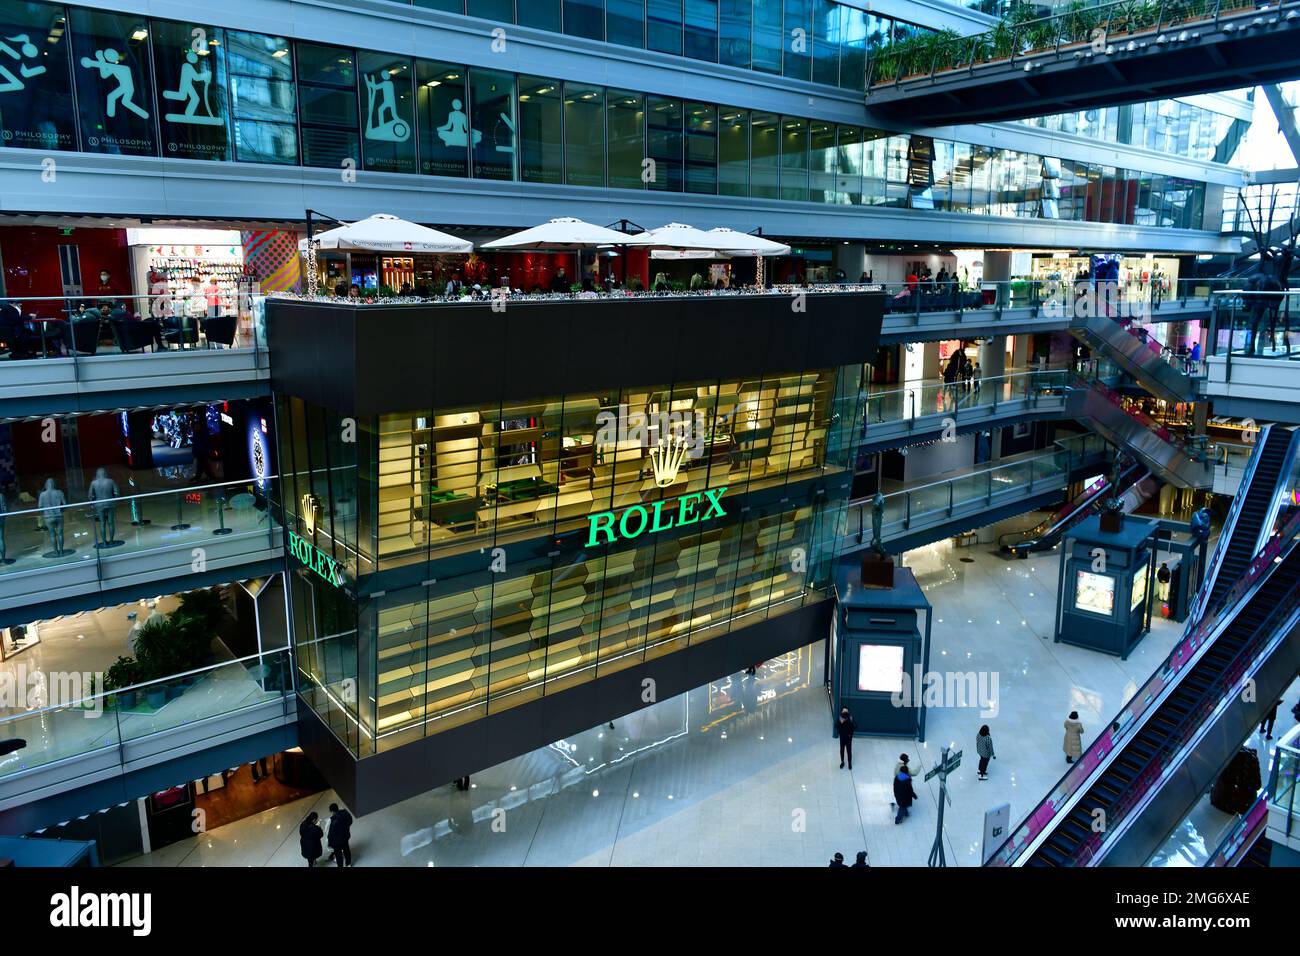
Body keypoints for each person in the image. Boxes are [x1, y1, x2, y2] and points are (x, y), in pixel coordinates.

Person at [327, 802, 354, 867]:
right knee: (346, 850)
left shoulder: (333, 821)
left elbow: (331, 834)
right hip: (345, 837)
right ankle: (348, 864)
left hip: (337, 842)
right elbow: (350, 821)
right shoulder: (345, 814)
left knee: (338, 855)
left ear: (332, 811)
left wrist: (330, 843)